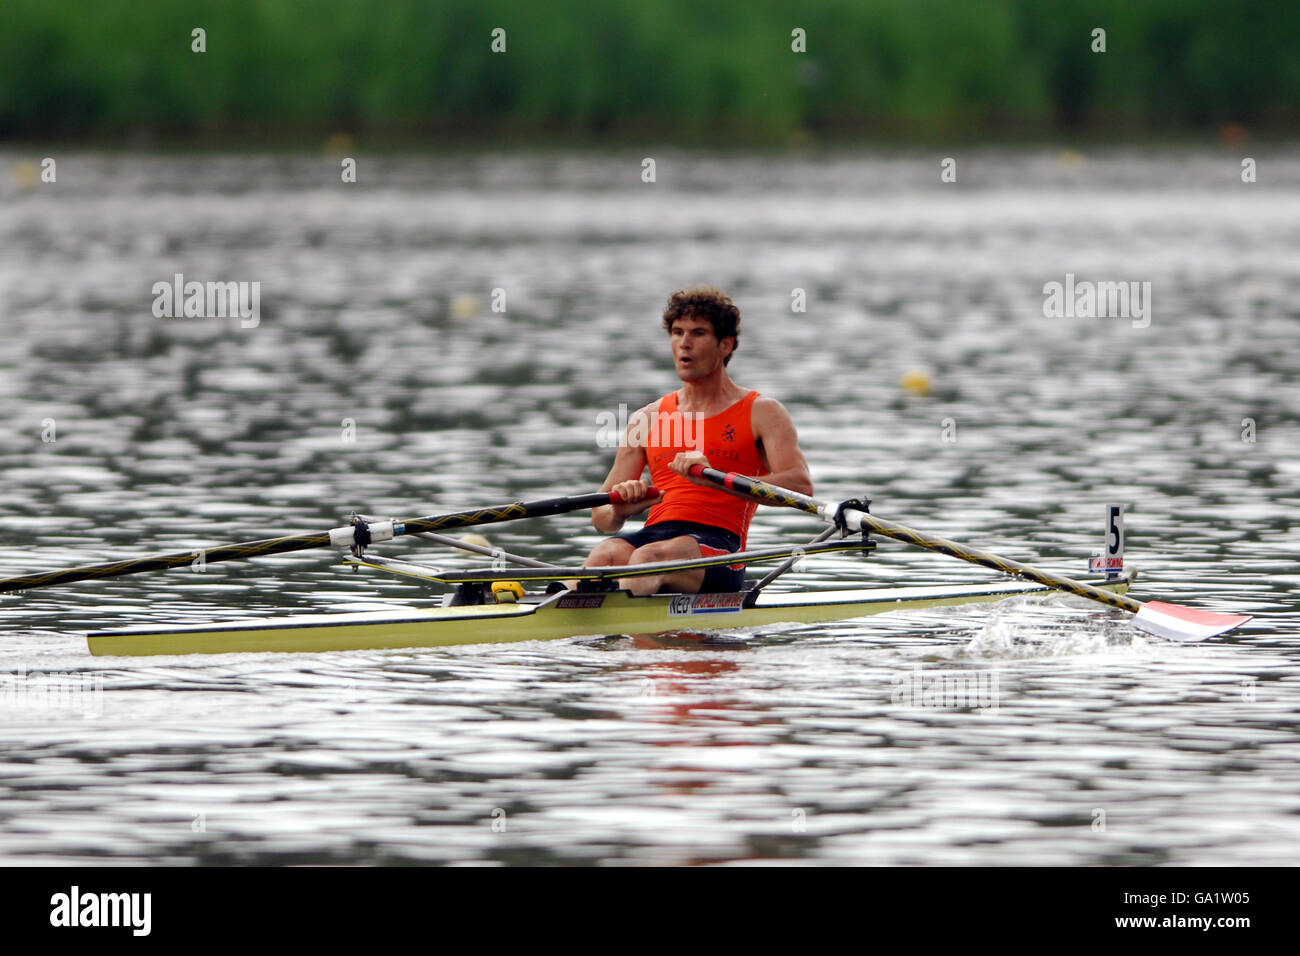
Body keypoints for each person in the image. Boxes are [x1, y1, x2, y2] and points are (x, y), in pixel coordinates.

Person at [584, 287, 813, 595]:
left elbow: (801, 487)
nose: (684, 343)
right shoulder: (647, 418)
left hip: (721, 547)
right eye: (677, 332)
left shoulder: (763, 412)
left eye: (698, 333)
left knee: (647, 559)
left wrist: (718, 480)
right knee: (605, 555)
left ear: (725, 345)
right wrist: (620, 511)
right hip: (654, 535)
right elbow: (600, 516)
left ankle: (629, 638)